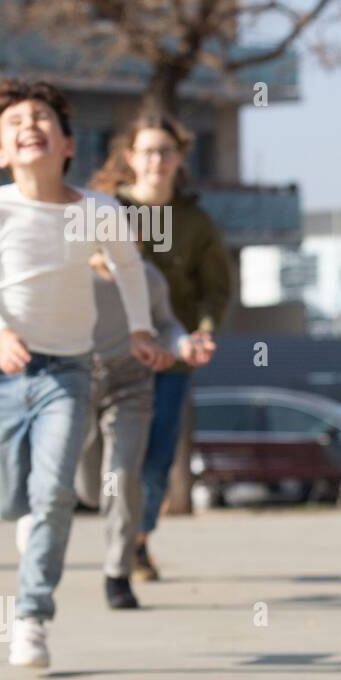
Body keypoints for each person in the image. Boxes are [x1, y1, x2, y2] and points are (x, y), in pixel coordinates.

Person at [0, 79, 155, 668]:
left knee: (54, 493)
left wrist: (140, 328)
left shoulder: (98, 211)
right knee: (3, 500)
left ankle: (32, 616)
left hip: (68, 372)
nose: (29, 126)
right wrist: (0, 334)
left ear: (68, 143)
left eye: (42, 118)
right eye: (15, 122)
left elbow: (129, 269)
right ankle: (34, 523)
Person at [89, 111, 230, 582]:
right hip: (108, 355)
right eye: (147, 151)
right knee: (105, 461)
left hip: (170, 355)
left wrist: (204, 329)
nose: (157, 160)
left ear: (179, 158)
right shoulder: (107, 209)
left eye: (166, 151)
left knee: (157, 457)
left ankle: (135, 541)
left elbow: (216, 288)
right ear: (130, 157)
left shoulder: (195, 220)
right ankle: (120, 536)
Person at [77, 253, 212, 609]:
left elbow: (164, 325)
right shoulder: (68, 274)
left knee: (121, 477)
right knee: (92, 489)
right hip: (77, 382)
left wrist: (183, 345)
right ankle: (101, 509)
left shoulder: (147, 277)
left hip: (130, 385)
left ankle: (117, 572)